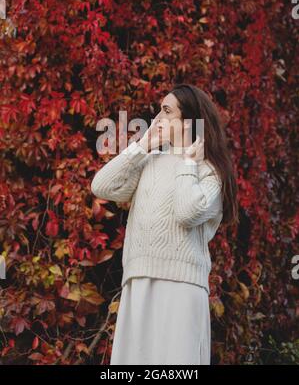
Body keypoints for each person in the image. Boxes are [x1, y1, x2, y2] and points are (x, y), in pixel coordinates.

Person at [91, 83, 239, 365]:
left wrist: (187, 164)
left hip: (181, 287)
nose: (158, 118)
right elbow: (102, 186)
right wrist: (141, 146)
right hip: (138, 280)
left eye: (167, 111)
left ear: (189, 120)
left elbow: (186, 212)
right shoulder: (150, 159)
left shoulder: (210, 171)